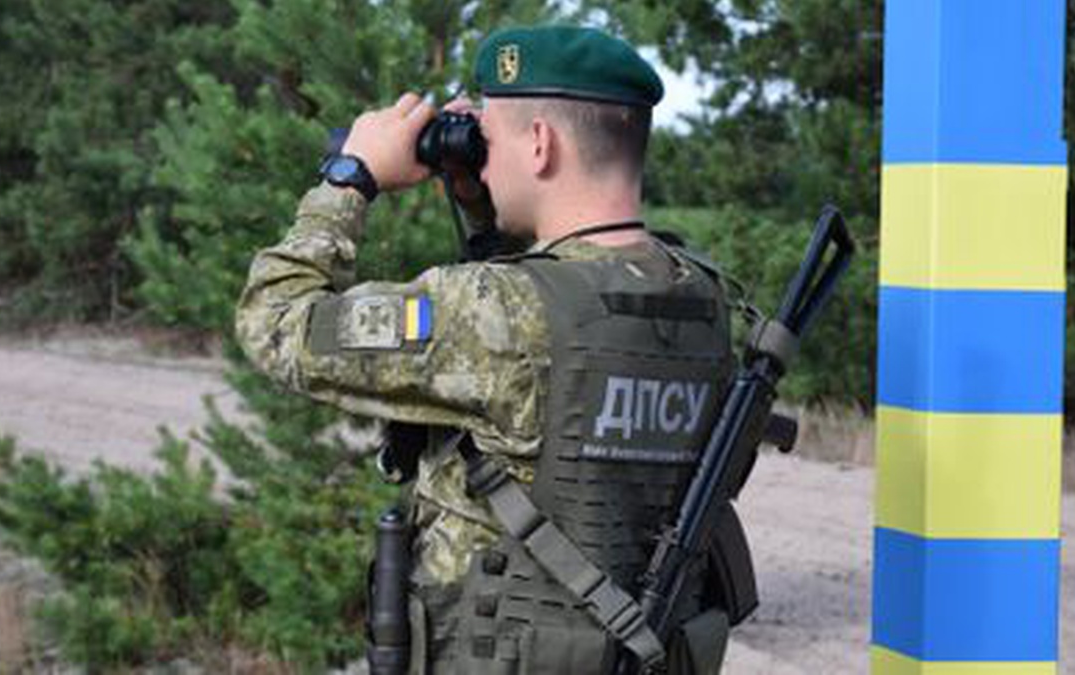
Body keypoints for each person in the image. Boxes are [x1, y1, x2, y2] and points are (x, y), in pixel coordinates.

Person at [236, 24, 737, 675]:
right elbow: (555, 319)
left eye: (487, 138)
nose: (479, 154)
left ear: (539, 143)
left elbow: (274, 320)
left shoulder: (494, 309)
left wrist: (348, 178)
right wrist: (480, 205)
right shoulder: (702, 299)